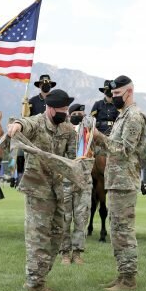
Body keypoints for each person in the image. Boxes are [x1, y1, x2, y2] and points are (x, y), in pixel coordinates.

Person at [7, 89, 76, 291]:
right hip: (37, 189)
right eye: (62, 110)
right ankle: (34, 284)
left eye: (67, 109)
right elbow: (24, 123)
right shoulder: (37, 123)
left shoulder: (68, 129)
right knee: (38, 237)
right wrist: (17, 124)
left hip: (58, 191)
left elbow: (73, 157)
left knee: (57, 234)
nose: (65, 113)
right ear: (50, 108)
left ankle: (40, 277)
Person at [93, 75, 146, 291]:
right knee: (116, 231)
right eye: (112, 94)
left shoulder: (134, 117)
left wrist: (98, 136)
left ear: (129, 92)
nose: (113, 97)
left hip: (125, 182)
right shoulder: (122, 116)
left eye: (116, 94)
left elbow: (124, 150)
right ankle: (122, 276)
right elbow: (112, 147)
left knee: (124, 231)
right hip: (115, 181)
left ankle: (129, 280)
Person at [59, 103, 92, 265]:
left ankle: (77, 253)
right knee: (64, 218)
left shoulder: (89, 133)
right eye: (76, 113)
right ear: (69, 115)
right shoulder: (62, 132)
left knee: (81, 218)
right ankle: (65, 253)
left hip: (84, 181)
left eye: (82, 113)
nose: (79, 115)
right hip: (65, 181)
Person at [11, 74, 57, 188]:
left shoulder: (56, 100)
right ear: (39, 85)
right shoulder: (32, 101)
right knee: (21, 152)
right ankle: (20, 178)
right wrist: (25, 106)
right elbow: (25, 117)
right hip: (35, 133)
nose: (45, 85)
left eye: (47, 84)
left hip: (53, 133)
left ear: (50, 85)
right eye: (43, 84)